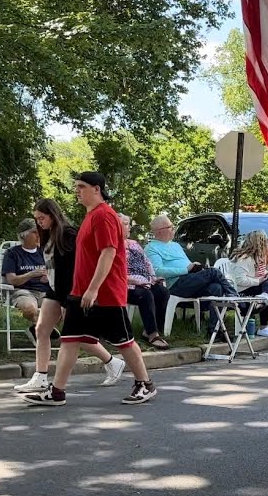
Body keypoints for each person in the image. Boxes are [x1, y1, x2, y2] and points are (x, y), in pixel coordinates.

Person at [22, 172, 157, 406]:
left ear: (97, 189)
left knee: (123, 341)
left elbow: (109, 252)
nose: (77, 191)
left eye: (82, 186)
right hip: (79, 293)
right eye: (76, 186)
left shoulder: (104, 215)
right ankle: (56, 392)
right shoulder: (90, 215)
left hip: (104, 294)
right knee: (70, 339)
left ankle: (144, 384)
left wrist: (94, 289)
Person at [14, 199, 125, 393]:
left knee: (74, 336)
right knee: (42, 330)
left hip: (70, 290)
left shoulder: (68, 234)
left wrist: (76, 294)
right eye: (37, 219)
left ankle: (111, 361)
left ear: (53, 215)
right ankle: (40, 376)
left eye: (42, 217)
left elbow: (79, 265)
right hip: (54, 288)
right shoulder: (46, 235)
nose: (39, 222)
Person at [145, 214, 236, 304]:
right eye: (171, 227)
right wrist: (186, 270)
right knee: (213, 272)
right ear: (160, 231)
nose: (174, 229)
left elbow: (186, 264)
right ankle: (234, 296)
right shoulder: (151, 248)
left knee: (216, 288)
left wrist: (193, 266)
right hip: (174, 284)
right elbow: (157, 271)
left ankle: (215, 319)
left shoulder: (175, 245)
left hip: (189, 280)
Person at [121, 213, 171, 349]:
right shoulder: (112, 246)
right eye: (125, 224)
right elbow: (113, 273)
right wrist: (135, 281)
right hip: (125, 285)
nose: (129, 227)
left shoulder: (134, 244)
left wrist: (153, 278)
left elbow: (147, 262)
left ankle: (150, 329)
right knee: (145, 294)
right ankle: (152, 335)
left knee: (162, 292)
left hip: (144, 281)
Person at [1, 218, 51, 338]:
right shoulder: (12, 253)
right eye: (35, 232)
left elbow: (54, 273)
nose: (39, 235)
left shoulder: (45, 252)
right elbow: (11, 280)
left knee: (59, 308)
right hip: (22, 291)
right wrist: (31, 274)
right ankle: (42, 329)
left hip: (45, 291)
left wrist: (49, 277)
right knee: (29, 308)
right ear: (24, 236)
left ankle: (38, 330)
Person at [228, 230, 268, 338]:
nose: (267, 244)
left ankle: (264, 296)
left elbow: (259, 273)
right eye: (265, 241)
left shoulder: (256, 257)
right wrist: (259, 281)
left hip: (251, 287)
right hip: (241, 291)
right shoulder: (244, 258)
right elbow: (240, 281)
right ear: (258, 244)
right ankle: (263, 326)